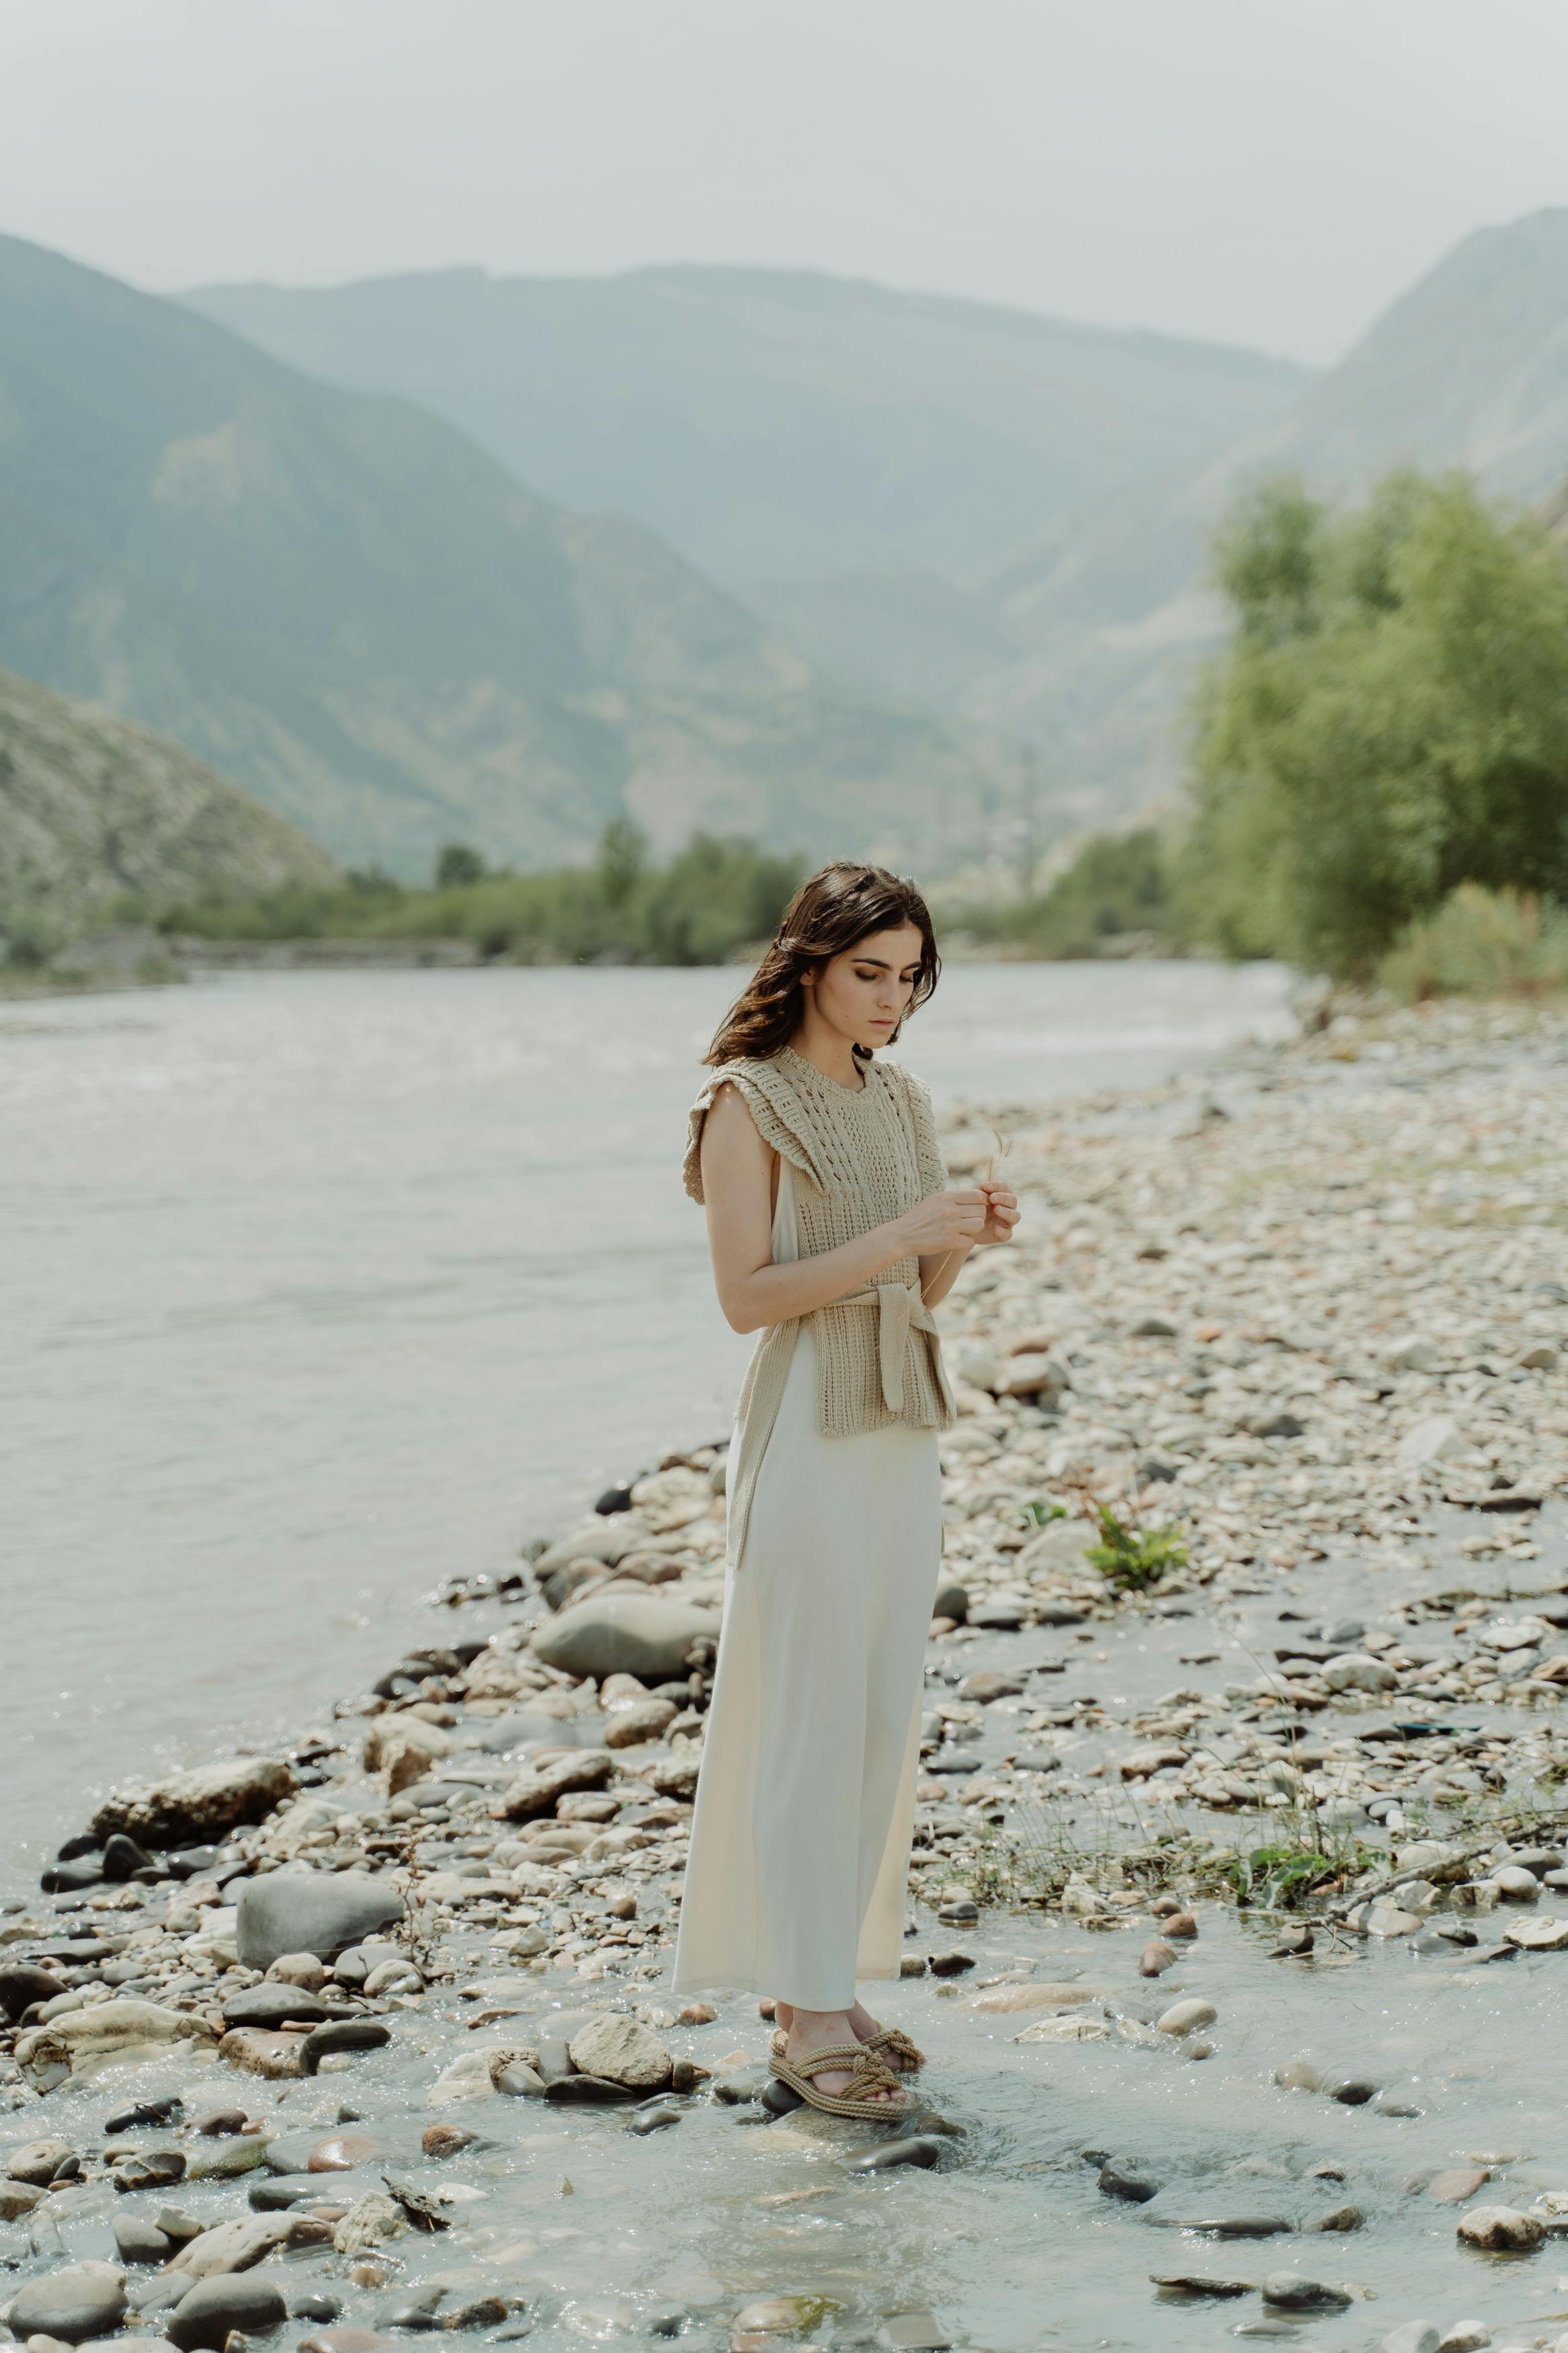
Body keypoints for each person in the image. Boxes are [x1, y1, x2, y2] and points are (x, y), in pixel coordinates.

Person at [669, 863, 1019, 2117]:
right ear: (808, 962)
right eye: (868, 971)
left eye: (910, 974)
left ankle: (831, 1979)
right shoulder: (745, 1104)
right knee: (809, 1710)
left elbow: (910, 1297)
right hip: (807, 1428)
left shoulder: (903, 1098)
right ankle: (802, 2014)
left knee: (876, 1711)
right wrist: (900, 1232)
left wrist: (956, 1245)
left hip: (900, 1424)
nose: (890, 997)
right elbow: (745, 1300)